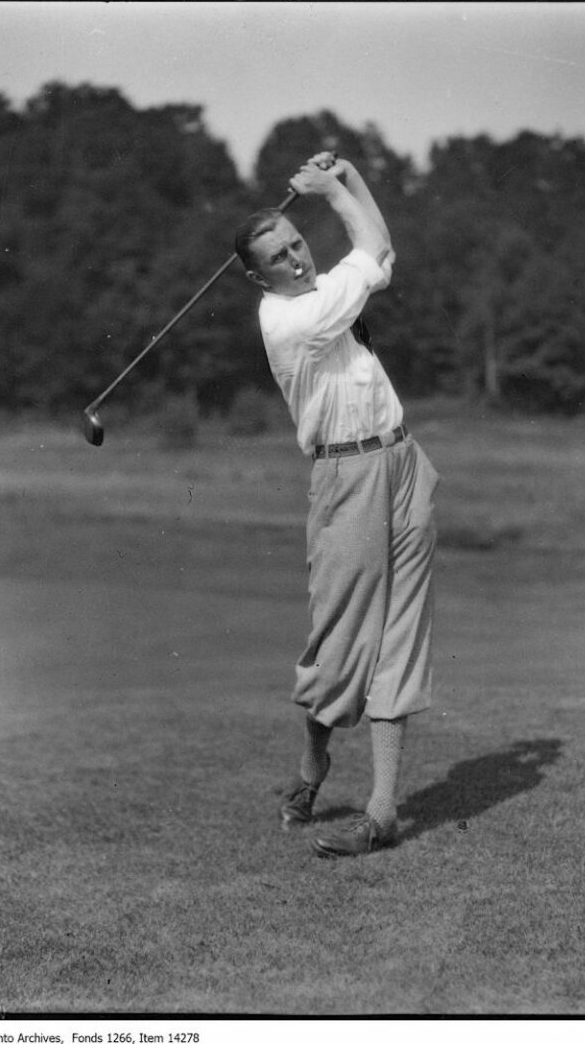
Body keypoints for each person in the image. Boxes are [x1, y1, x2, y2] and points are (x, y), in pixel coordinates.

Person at [235, 153, 440, 857]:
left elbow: (377, 248)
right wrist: (330, 191)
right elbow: (372, 249)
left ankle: (382, 812)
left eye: (296, 242)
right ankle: (314, 760)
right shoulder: (291, 319)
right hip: (345, 477)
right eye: (277, 256)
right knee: (337, 638)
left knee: (400, 632)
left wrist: (350, 180)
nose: (296, 259)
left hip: (403, 461)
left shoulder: (327, 289)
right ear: (256, 276)